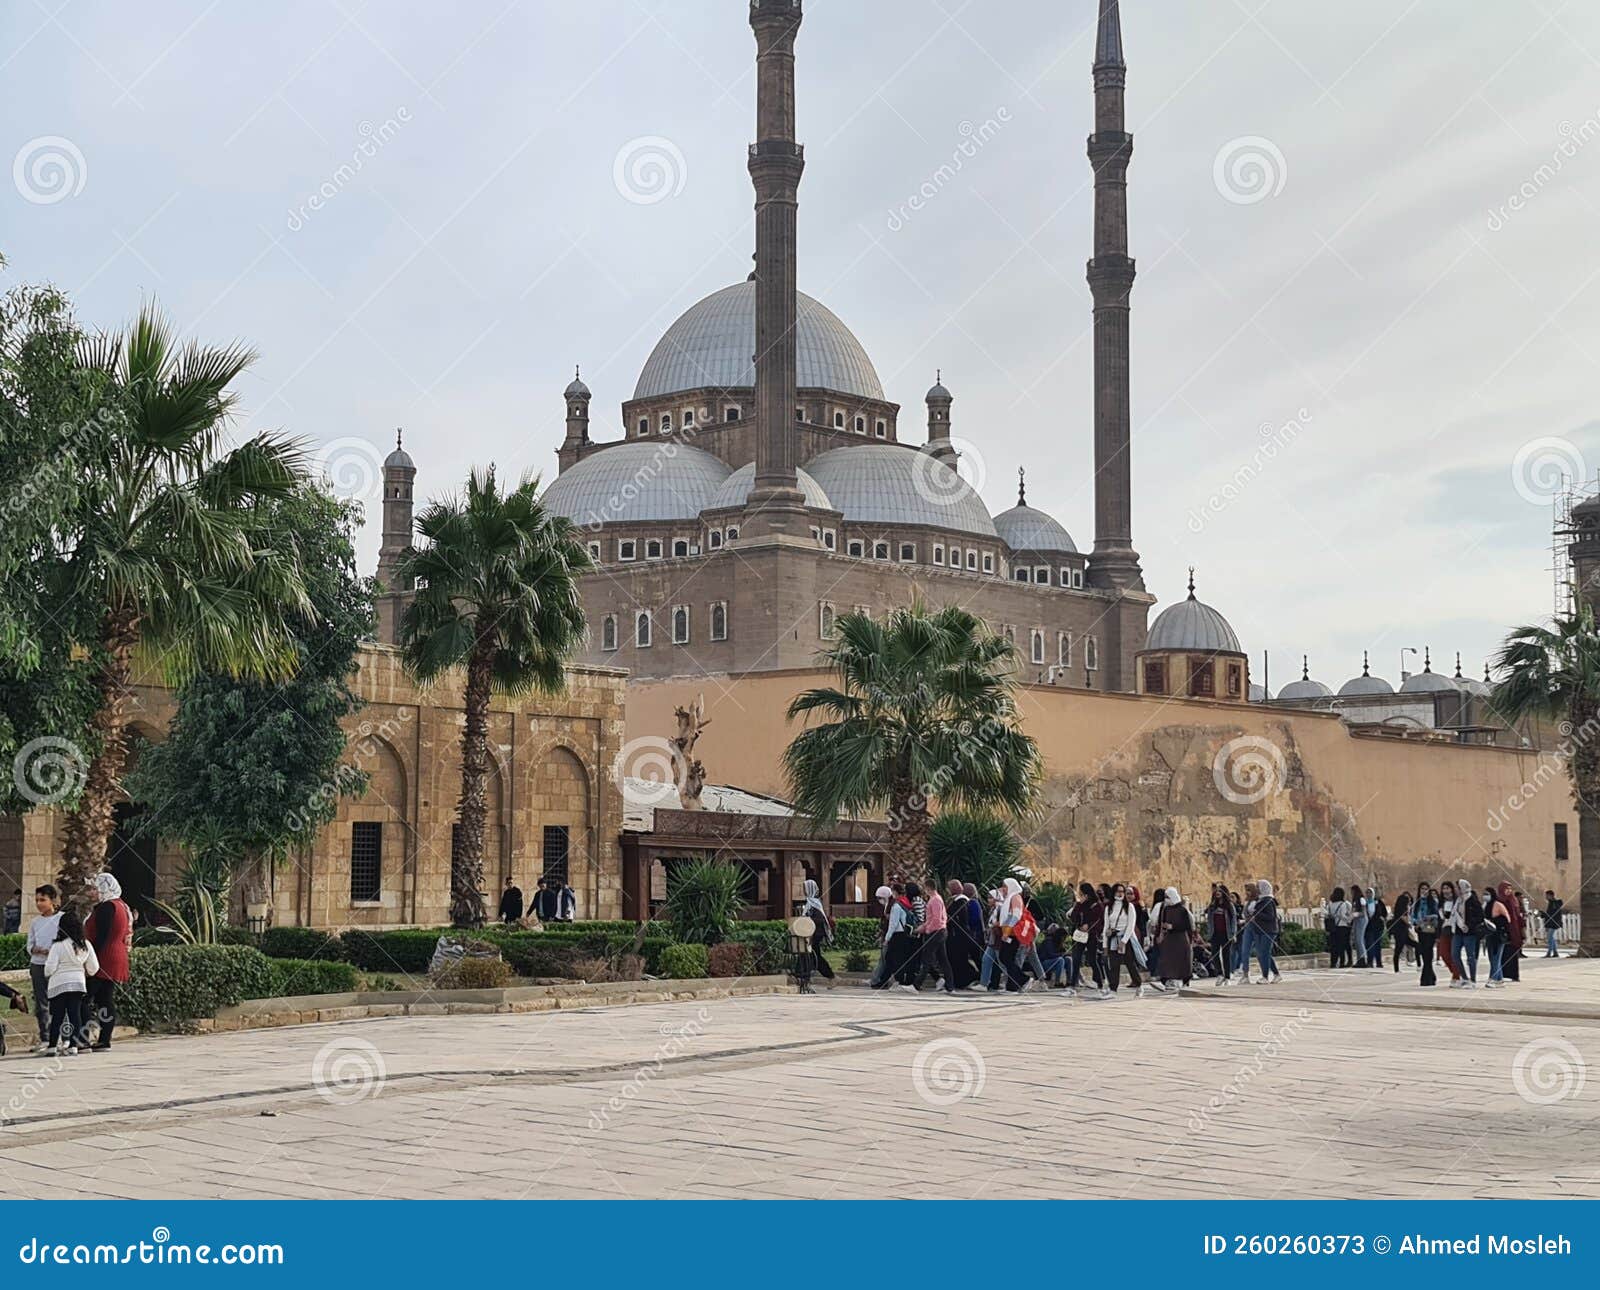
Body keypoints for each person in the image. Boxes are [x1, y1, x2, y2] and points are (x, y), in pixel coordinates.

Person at [83, 872, 132, 1051]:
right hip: (115, 956)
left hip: (104, 958)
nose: (92, 893)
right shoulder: (121, 905)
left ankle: (83, 1038)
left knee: (84, 998)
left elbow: (102, 936)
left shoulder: (106, 908)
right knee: (105, 999)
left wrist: (88, 957)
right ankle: (104, 1039)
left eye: (95, 889)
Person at [43, 909, 98, 1056]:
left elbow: (49, 968)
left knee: (58, 1016)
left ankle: (52, 1046)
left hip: (59, 984)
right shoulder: (85, 945)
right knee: (75, 1014)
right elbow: (94, 968)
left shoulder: (57, 946)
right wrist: (84, 972)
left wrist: (51, 973)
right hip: (78, 983)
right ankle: (73, 1045)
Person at [26, 884, 61, 1053]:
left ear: (52, 901)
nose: (39, 903)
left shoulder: (61, 918)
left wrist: (52, 951)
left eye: (43, 900)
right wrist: (35, 950)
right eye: (37, 900)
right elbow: (29, 944)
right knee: (41, 1003)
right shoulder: (35, 922)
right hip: (38, 965)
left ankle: (60, 1036)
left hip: (56, 965)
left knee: (58, 1001)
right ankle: (45, 1037)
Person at [1100, 882, 1151, 999]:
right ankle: (1113, 989)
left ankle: (1138, 985)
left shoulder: (1129, 907)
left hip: (1126, 939)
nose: (1120, 894)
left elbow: (1131, 925)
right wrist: (1105, 944)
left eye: (1122, 891)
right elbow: (1106, 926)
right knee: (1114, 964)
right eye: (1118, 891)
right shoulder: (1109, 908)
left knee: (1130, 963)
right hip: (1113, 938)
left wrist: (1124, 941)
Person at [913, 881, 952, 994]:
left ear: (928, 888)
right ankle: (949, 986)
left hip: (936, 932)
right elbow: (930, 920)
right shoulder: (936, 899)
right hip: (940, 931)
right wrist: (921, 928)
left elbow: (936, 919)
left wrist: (928, 930)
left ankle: (916, 985)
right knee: (943, 960)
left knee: (927, 959)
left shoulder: (935, 900)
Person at [1154, 887, 1194, 992]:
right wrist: (1160, 935)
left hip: (1180, 938)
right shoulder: (1165, 909)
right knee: (1167, 959)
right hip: (1169, 940)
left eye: (1168, 897)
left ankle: (1182, 980)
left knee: (1181, 960)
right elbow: (1161, 922)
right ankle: (1168, 979)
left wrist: (1173, 926)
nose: (1166, 899)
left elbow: (1187, 925)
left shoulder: (1182, 910)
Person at [1069, 882, 1105, 991]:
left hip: (1091, 935)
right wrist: (1079, 904)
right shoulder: (1080, 905)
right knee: (1076, 959)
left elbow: (1099, 920)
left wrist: (1089, 925)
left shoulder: (1097, 905)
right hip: (1080, 935)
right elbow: (1073, 917)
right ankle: (1073, 984)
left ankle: (1099, 982)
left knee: (1092, 959)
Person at [799, 878, 835, 981]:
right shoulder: (809, 903)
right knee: (811, 956)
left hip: (816, 934)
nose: (804, 891)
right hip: (810, 933)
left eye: (805, 888)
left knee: (814, 956)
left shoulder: (814, 903)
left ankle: (830, 976)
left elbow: (819, 919)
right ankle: (804, 976)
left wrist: (807, 920)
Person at [1450, 882, 1484, 987]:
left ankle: (1472, 980)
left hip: (1470, 933)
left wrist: (1470, 924)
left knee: (1470, 956)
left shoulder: (1473, 901)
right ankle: (1464, 977)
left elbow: (1480, 917)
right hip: (1458, 931)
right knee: (1454, 954)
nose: (1456, 889)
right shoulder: (1458, 901)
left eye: (1458, 887)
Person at [1250, 879, 1283, 982]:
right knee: (1263, 954)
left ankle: (1265, 976)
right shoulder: (1260, 900)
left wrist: (1256, 913)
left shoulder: (1268, 901)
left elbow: (1270, 916)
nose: (1256, 889)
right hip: (1260, 930)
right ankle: (1276, 974)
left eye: (1258, 886)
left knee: (1264, 953)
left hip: (1268, 930)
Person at [1482, 885, 1512, 988]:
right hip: (1490, 935)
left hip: (1498, 935)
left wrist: (1494, 922)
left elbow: (1507, 919)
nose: (1485, 896)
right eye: (1484, 894)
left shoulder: (1498, 905)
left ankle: (1493, 979)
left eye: (1487, 894)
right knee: (1492, 958)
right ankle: (1499, 979)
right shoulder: (1486, 905)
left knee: (1496, 957)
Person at [1412, 882, 1441, 987]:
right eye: (1422, 889)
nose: (1424, 891)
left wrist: (1429, 918)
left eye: (1426, 889)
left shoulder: (1433, 902)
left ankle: (1426, 978)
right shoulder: (1417, 903)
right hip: (1421, 930)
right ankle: (1430, 976)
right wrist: (1415, 923)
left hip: (1430, 929)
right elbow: (1413, 916)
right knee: (1424, 953)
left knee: (1428, 953)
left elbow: (1437, 915)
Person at [1207, 885, 1236, 986]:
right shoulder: (1212, 906)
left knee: (1226, 956)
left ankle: (1227, 977)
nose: (1217, 892)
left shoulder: (1229, 905)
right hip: (1215, 934)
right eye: (1216, 891)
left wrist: (1233, 933)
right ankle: (1219, 974)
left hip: (1226, 934)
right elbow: (1209, 920)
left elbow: (1233, 920)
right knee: (1214, 954)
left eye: (1220, 891)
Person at [1497, 881, 1524, 983]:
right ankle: (1502, 974)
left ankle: (1514, 975)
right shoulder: (1499, 901)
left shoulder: (1514, 901)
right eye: (1506, 889)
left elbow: (1518, 916)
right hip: (1504, 931)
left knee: (1513, 954)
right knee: (1503, 953)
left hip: (1514, 931)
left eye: (1510, 889)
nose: (1508, 891)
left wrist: (1521, 930)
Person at [1322, 887, 1353, 968]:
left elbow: (1328, 914)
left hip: (1333, 927)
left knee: (1334, 946)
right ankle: (1342, 962)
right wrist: (1349, 920)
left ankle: (1333, 962)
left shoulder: (1330, 904)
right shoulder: (1343, 904)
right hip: (1342, 926)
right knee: (1341, 946)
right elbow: (1342, 916)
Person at [1436, 881, 1461, 983]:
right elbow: (1439, 920)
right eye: (1444, 888)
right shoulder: (1441, 904)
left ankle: (1456, 977)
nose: (1446, 891)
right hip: (1444, 930)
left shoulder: (1457, 902)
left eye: (1448, 888)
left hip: (1455, 931)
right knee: (1444, 953)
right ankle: (1457, 972)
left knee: (1454, 954)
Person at [1236, 882, 1260, 983]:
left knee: (1261, 952)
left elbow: (1256, 916)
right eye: (1246, 890)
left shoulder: (1258, 902)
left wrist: (1245, 920)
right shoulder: (1247, 902)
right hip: (1247, 928)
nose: (1247, 892)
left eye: (1249, 890)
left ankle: (1271, 972)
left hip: (1257, 928)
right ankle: (1245, 974)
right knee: (1244, 951)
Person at [1387, 891, 1414, 973]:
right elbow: (1405, 918)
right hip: (1401, 930)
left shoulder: (1398, 908)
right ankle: (1396, 968)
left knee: (1409, 945)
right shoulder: (1403, 908)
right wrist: (1409, 923)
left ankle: (1397, 968)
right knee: (1399, 948)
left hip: (1401, 930)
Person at [1365, 890, 1388, 968]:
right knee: (1369, 944)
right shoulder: (1365, 903)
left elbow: (1384, 913)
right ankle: (1370, 961)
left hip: (1378, 926)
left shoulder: (1378, 902)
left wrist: (1382, 917)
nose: (1369, 894)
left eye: (1370, 893)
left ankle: (1379, 962)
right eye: (1367, 893)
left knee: (1377, 944)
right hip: (1368, 926)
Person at [1349, 884, 1370, 968]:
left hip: (1362, 919)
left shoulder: (1361, 899)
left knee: (1359, 939)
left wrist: (1356, 914)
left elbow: (1363, 912)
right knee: (1357, 940)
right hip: (1357, 919)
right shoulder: (1355, 900)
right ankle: (1359, 958)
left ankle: (1363, 959)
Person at [1542, 891, 1565, 957]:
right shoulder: (1551, 903)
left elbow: (1554, 914)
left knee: (1550, 937)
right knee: (1551, 937)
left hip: (1554, 923)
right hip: (1551, 923)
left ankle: (1549, 952)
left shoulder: (1555, 903)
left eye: (1547, 895)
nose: (1546, 897)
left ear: (1551, 895)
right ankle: (1555, 952)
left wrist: (1545, 914)